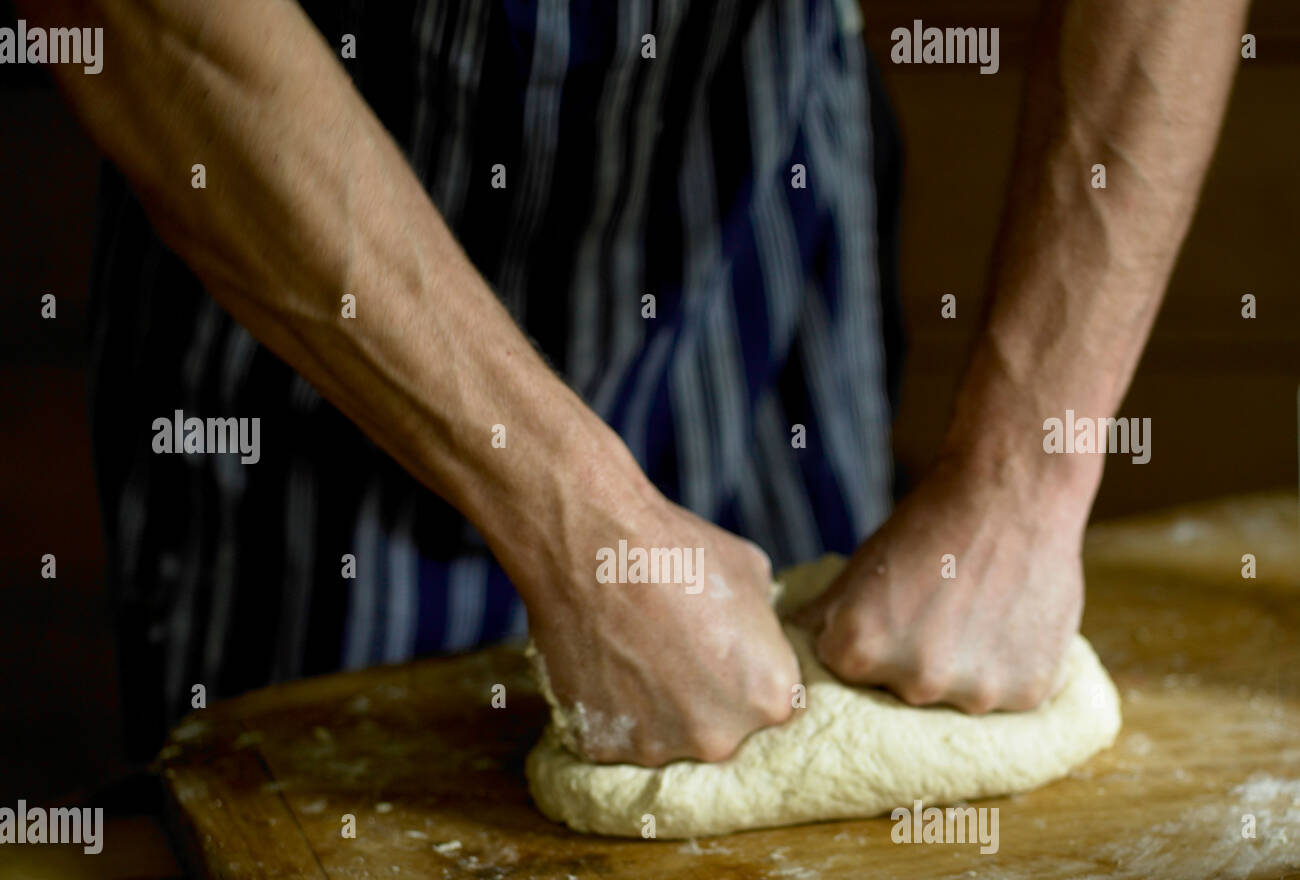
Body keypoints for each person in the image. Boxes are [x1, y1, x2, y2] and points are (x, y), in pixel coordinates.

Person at [34, 0, 1245, 767]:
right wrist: (577, 524)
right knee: (323, 879)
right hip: (303, 248)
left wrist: (1024, 475)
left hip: (743, 187)